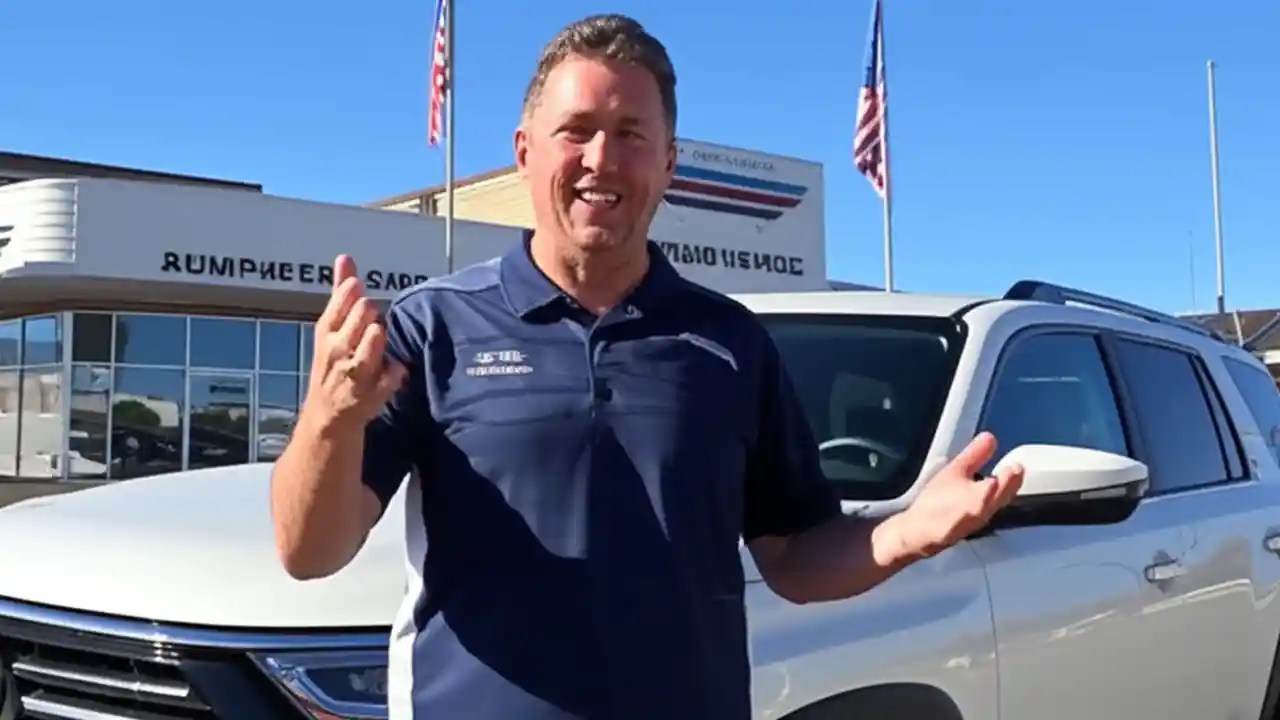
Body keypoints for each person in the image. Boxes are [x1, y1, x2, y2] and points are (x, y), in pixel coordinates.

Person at [269, 12, 1024, 720]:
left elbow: (793, 557)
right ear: (526, 151)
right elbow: (309, 553)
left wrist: (905, 532)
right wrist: (330, 420)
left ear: (667, 163)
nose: (602, 158)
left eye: (631, 134)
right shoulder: (432, 328)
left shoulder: (731, 343)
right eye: (577, 131)